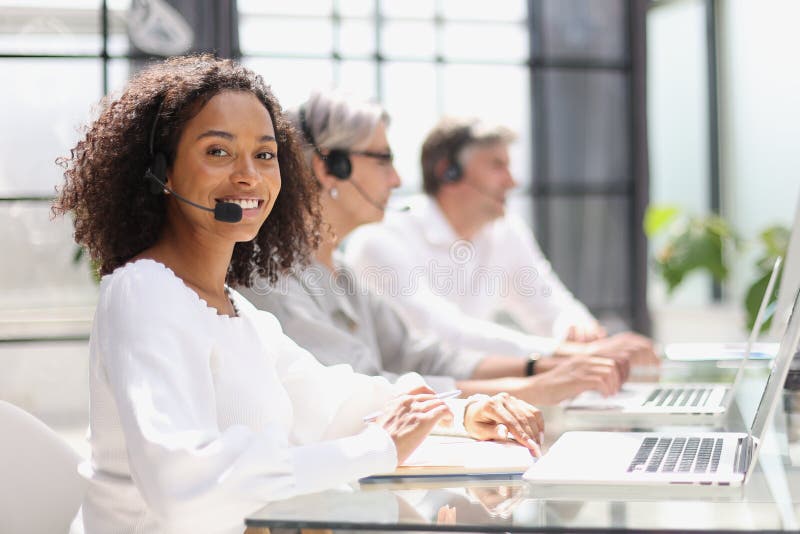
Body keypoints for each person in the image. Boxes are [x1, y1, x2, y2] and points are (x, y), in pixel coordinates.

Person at [53, 56, 542, 534]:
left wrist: (454, 413)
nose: (249, 176)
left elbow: (330, 399)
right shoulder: (146, 292)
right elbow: (188, 492)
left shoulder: (233, 309)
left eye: (265, 155)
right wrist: (376, 446)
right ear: (163, 173)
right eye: (218, 152)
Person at [240, 91, 629, 407]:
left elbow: (422, 356)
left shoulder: (339, 271)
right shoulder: (272, 278)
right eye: (383, 160)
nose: (397, 179)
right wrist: (526, 389)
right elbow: (370, 390)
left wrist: (537, 368)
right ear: (331, 168)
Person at [345, 116, 658, 366]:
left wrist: (578, 330)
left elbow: (547, 301)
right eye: (497, 165)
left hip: (478, 397)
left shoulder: (505, 231)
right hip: (406, 408)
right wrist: (564, 355)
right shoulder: (380, 239)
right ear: (449, 172)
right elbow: (442, 332)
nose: (513, 181)